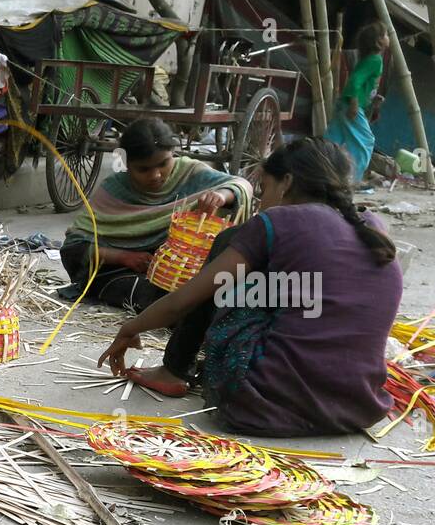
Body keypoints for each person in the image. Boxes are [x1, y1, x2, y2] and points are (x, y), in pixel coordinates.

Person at [98, 137, 401, 437]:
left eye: (264, 189)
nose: (260, 200)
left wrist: (131, 327)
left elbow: (184, 301)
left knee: (229, 244)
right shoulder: (372, 227)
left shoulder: (278, 221)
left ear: (287, 183)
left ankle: (175, 368)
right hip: (356, 409)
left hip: (265, 405)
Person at [59, 117, 254, 312]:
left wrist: (222, 195)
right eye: (143, 169)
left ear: (173, 153)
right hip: (124, 273)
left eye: (163, 163)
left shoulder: (190, 172)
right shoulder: (113, 190)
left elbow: (242, 185)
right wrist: (123, 256)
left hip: (185, 272)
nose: (155, 175)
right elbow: (74, 247)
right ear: (126, 164)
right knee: (164, 299)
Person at [325, 22, 389, 184]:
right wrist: (354, 104)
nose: (389, 38)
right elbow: (354, 81)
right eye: (385, 35)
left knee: (333, 142)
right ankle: (354, 180)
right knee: (366, 141)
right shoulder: (375, 60)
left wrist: (373, 99)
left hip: (344, 102)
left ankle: (321, 172)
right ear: (378, 42)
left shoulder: (369, 59)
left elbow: (363, 84)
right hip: (350, 105)